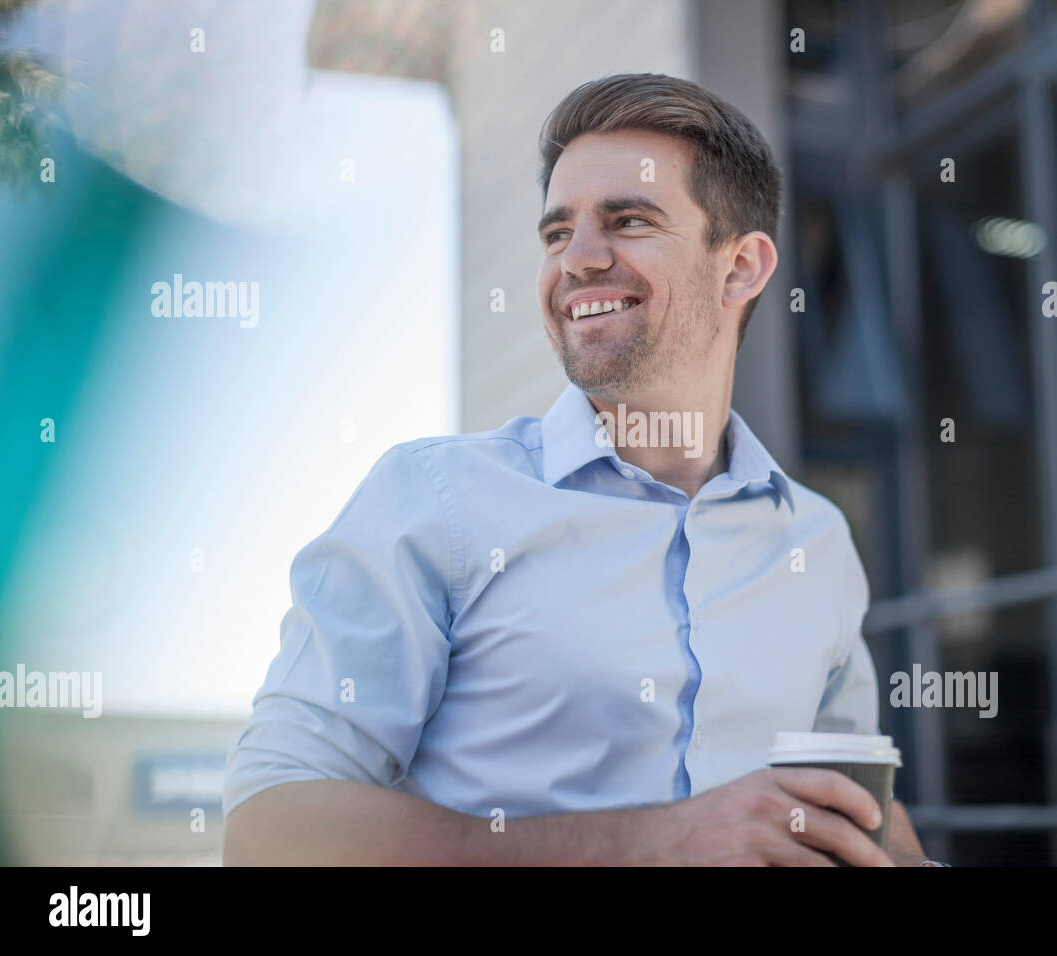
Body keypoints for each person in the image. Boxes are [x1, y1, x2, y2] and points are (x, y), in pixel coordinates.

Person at [222, 73, 928, 866]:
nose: (579, 261)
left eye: (628, 221)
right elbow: (270, 831)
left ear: (740, 269)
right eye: (558, 234)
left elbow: (856, 810)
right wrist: (657, 841)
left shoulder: (816, 541)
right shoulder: (434, 502)